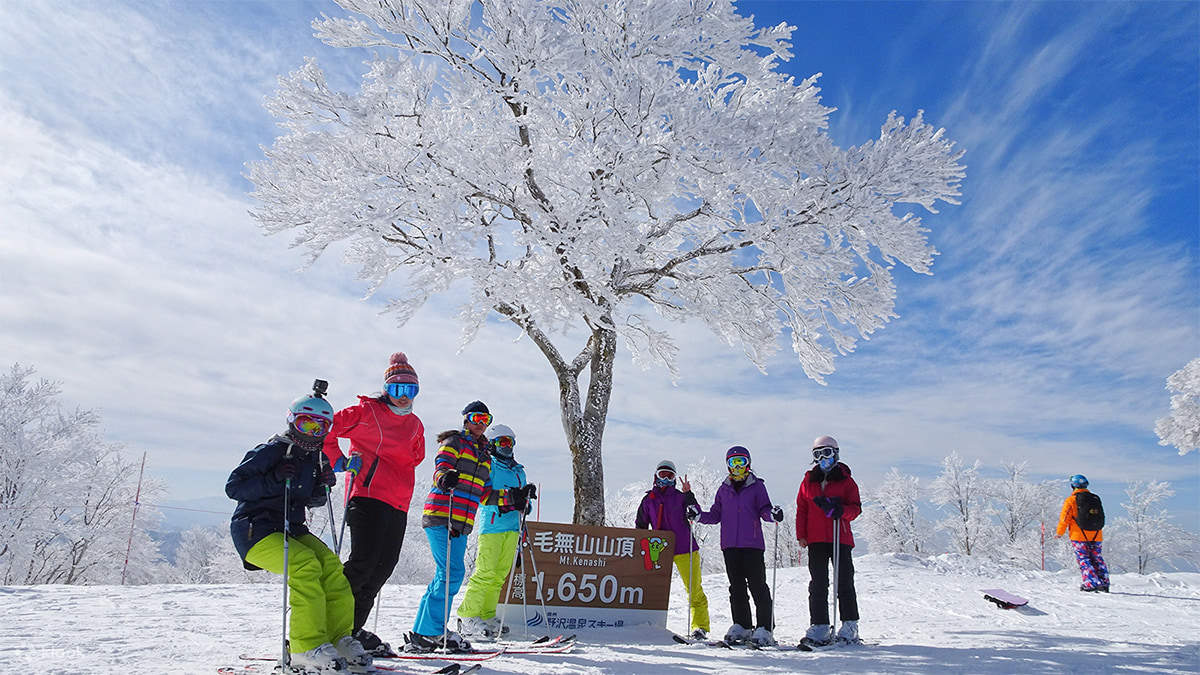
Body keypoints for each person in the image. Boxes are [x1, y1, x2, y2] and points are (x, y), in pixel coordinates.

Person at [226, 389, 372, 673]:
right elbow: (234, 487)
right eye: (307, 423)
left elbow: (312, 499)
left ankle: (337, 638)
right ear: (293, 421)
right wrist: (274, 478)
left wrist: (322, 485)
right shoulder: (271, 451)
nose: (314, 431)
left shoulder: (316, 458)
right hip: (255, 530)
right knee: (305, 566)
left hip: (291, 528)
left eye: (321, 426)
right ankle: (306, 647)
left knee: (331, 566)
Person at [405, 401, 534, 653]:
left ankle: (423, 632)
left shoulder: (485, 455)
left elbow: (487, 495)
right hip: (443, 513)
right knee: (451, 573)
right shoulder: (454, 442)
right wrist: (444, 477)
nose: (480, 423)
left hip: (463, 522)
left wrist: (515, 498)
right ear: (466, 419)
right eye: (476, 418)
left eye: (485, 419)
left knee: (448, 573)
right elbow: (441, 466)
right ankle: (432, 632)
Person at [322, 352, 426, 656]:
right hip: (367, 495)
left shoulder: (415, 425)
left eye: (411, 390)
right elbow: (327, 426)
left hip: (398, 502)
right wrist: (338, 460)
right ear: (386, 389)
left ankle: (350, 632)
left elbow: (417, 456)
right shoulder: (366, 412)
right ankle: (324, 627)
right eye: (397, 389)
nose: (404, 397)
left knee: (383, 567)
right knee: (363, 563)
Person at [696, 446, 784, 647]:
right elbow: (715, 514)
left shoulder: (757, 487)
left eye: (741, 462)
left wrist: (773, 515)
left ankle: (765, 627)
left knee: (757, 586)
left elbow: (764, 509)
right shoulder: (723, 489)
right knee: (736, 587)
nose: (737, 467)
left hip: (751, 545)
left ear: (748, 464)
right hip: (730, 545)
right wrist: (699, 516)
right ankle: (742, 625)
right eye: (733, 463)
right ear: (727, 465)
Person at [456, 423, 531, 638]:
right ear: (493, 444)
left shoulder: (519, 470)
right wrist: (509, 500)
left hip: (513, 528)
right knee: (485, 572)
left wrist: (526, 499)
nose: (506, 446)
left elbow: (524, 504)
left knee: (499, 575)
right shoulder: (489, 466)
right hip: (493, 527)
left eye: (510, 442)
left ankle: (487, 614)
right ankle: (468, 616)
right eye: (502, 442)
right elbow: (484, 495)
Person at [795, 435, 862, 645]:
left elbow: (856, 508)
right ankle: (820, 626)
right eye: (818, 454)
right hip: (816, 538)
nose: (823, 458)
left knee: (844, 581)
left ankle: (850, 624)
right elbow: (802, 508)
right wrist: (802, 534)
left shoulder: (846, 479)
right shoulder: (808, 480)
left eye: (827, 453)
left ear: (835, 454)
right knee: (818, 583)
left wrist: (841, 511)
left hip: (839, 536)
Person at [635, 459, 711, 640]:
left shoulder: (680, 497)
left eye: (670, 476)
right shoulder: (648, 500)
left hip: (685, 548)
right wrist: (641, 547)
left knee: (694, 589)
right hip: (659, 551)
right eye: (663, 475)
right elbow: (641, 525)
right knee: (653, 588)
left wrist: (689, 495)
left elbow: (695, 512)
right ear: (656, 476)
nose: (666, 479)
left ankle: (700, 627)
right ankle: (649, 624)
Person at [1056, 474, 1110, 592]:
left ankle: (1091, 583)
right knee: (1097, 558)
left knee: (1083, 558)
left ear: (1073, 486)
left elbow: (1065, 518)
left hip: (1079, 535)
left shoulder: (1071, 500)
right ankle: (1104, 583)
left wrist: (1059, 532)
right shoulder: (1096, 498)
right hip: (1096, 534)